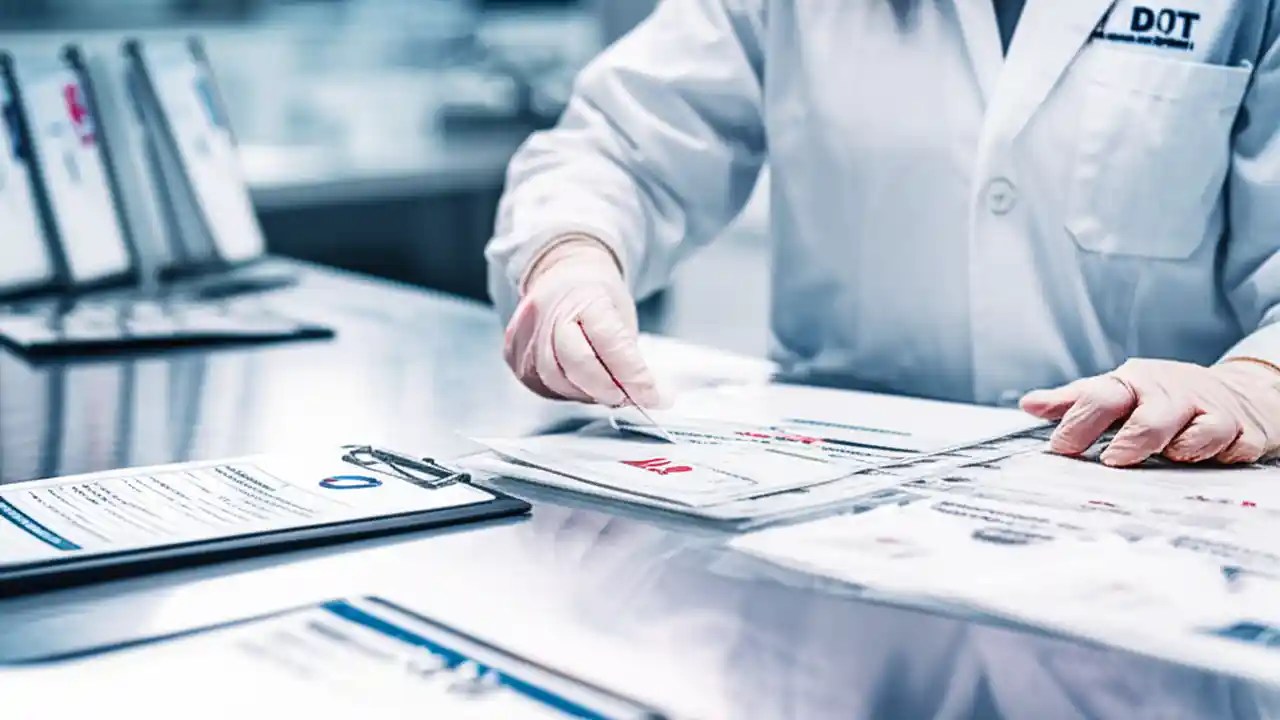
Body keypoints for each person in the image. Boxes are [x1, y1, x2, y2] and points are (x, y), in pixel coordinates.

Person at [486, 0, 1280, 468]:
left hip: (1153, 492)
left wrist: (1254, 384)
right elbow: (620, 148)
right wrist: (570, 262)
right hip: (828, 492)